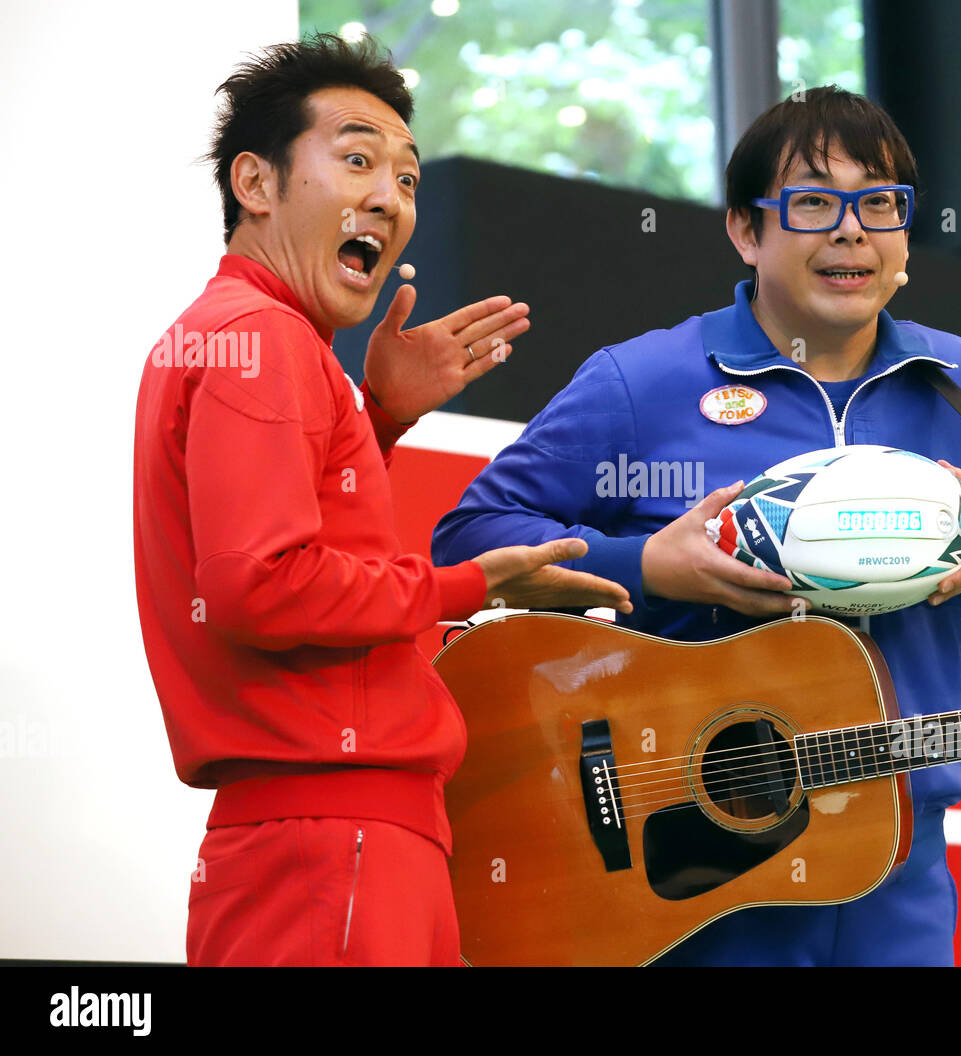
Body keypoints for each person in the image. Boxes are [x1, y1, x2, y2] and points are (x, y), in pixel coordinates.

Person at [431, 86, 961, 966]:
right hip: (693, 865)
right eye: (814, 202)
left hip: (897, 863)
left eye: (880, 203)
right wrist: (645, 567)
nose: (852, 230)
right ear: (747, 231)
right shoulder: (644, 379)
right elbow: (470, 537)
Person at [132, 34, 631, 967]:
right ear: (257, 183)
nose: (389, 198)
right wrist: (467, 585)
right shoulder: (263, 339)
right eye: (356, 159)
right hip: (337, 839)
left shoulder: (238, 339)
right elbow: (262, 585)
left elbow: (275, 555)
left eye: (406, 179)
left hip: (327, 842)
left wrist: (376, 419)